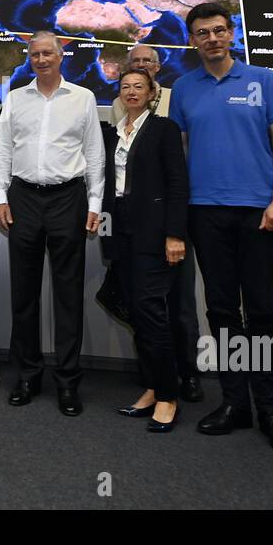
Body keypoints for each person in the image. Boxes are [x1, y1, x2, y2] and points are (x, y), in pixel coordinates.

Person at [169, 1, 273, 456]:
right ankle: (234, 403)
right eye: (202, 33)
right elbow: (180, 151)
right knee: (222, 311)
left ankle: (271, 409)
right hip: (206, 212)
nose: (212, 38)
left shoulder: (264, 80)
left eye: (219, 30)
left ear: (232, 34)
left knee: (263, 312)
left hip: (260, 212)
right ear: (192, 40)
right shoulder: (183, 89)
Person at [0, 31, 104, 416]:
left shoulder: (83, 99)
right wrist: (0, 197)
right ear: (29, 57)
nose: (41, 59)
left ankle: (68, 382)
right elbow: (3, 149)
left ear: (61, 55)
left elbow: (94, 154)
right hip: (22, 197)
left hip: (67, 199)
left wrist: (94, 202)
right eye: (35, 54)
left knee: (68, 294)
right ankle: (27, 375)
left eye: (47, 53)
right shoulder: (16, 98)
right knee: (23, 293)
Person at [103, 69, 189, 433]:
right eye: (126, 87)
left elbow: (177, 182)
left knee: (152, 313)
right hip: (120, 231)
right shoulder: (112, 132)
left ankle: (168, 396)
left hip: (154, 235)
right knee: (134, 309)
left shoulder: (164, 130)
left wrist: (174, 235)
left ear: (153, 92)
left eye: (139, 86)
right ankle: (153, 387)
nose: (132, 92)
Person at [124, 42, 203, 402]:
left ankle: (187, 374)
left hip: (172, 218)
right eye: (135, 63)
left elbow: (177, 173)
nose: (141, 68)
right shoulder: (120, 113)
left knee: (180, 304)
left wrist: (175, 231)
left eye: (147, 63)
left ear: (158, 69)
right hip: (134, 226)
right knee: (143, 304)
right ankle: (154, 376)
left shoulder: (176, 100)